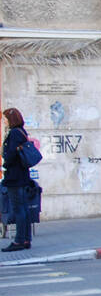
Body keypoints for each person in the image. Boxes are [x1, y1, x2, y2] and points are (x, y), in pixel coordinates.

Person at [2, 108, 35, 252]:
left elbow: (10, 155)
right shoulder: (21, 131)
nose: (4, 122)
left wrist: (5, 164)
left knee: (18, 209)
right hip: (22, 175)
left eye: (5, 119)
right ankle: (26, 239)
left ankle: (19, 241)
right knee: (24, 208)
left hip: (15, 177)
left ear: (11, 119)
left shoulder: (14, 133)